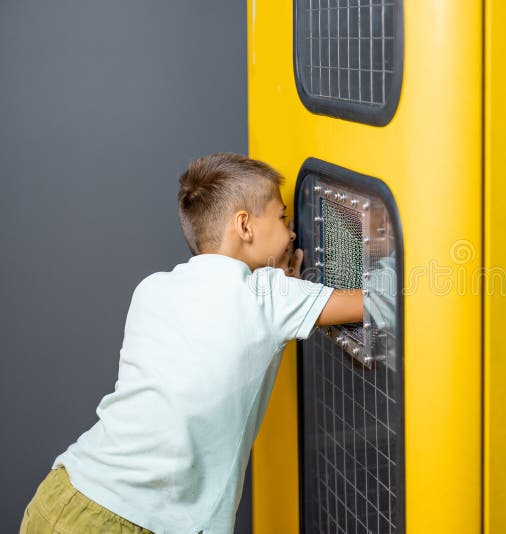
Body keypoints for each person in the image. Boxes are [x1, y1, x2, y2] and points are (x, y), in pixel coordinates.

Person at [18, 153, 364, 533]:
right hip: (127, 522)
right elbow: (372, 302)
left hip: (63, 493)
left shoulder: (151, 289)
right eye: (281, 218)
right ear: (245, 226)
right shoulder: (268, 294)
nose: (292, 233)